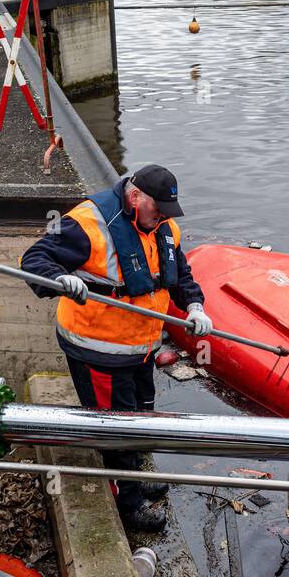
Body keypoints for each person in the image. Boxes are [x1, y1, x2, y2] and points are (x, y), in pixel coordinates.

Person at [21, 165, 212, 532]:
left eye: (167, 213)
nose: (161, 220)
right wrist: (62, 279)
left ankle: (135, 477)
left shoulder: (163, 227)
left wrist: (195, 305)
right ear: (135, 197)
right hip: (99, 351)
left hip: (140, 347)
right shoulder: (87, 223)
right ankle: (127, 502)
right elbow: (34, 260)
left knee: (140, 413)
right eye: (157, 210)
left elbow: (180, 274)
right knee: (116, 428)